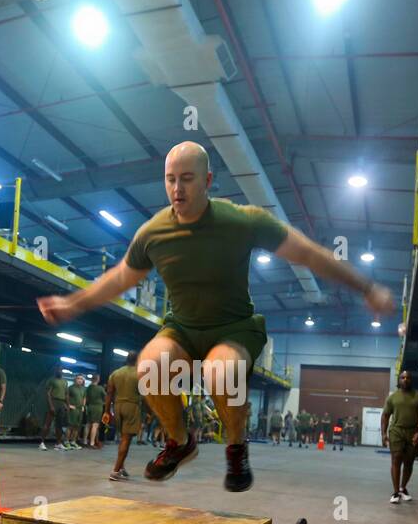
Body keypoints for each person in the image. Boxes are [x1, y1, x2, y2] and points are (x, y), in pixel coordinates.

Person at [36, 141, 394, 491]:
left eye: (187, 178)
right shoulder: (153, 233)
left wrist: (365, 287)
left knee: (219, 370)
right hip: (183, 329)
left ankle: (236, 446)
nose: (177, 188)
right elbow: (120, 278)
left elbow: (309, 254)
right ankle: (179, 442)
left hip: (235, 328)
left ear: (207, 182)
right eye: (170, 178)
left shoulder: (242, 221)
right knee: (150, 363)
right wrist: (73, 304)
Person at [382, 371, 418, 504]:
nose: (405, 379)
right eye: (403, 377)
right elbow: (385, 415)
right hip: (396, 431)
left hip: (412, 432)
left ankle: (403, 488)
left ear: (411, 380)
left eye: (408, 377)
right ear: (399, 380)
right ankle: (396, 492)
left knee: (409, 462)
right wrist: (384, 434)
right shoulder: (392, 397)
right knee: (396, 459)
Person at [106, 351, 143, 481]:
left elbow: (109, 393)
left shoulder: (115, 373)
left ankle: (121, 467)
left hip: (117, 407)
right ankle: (115, 471)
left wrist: (106, 411)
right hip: (131, 406)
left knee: (122, 438)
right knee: (126, 439)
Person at [39, 370, 68, 450]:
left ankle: (58, 443)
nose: (59, 371)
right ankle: (42, 443)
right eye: (57, 369)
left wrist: (67, 405)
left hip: (61, 403)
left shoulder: (65, 381)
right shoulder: (51, 380)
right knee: (47, 424)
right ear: (55, 371)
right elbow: (48, 393)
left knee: (59, 425)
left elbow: (66, 394)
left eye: (60, 369)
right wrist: (51, 405)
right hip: (53, 401)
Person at [65, 374, 87, 450]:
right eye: (78, 378)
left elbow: (84, 397)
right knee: (70, 426)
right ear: (75, 379)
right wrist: (69, 405)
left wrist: (83, 406)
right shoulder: (70, 388)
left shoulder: (84, 389)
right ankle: (66, 442)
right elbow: (66, 397)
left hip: (80, 409)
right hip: (73, 409)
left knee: (77, 427)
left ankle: (73, 442)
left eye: (81, 379)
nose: (80, 380)